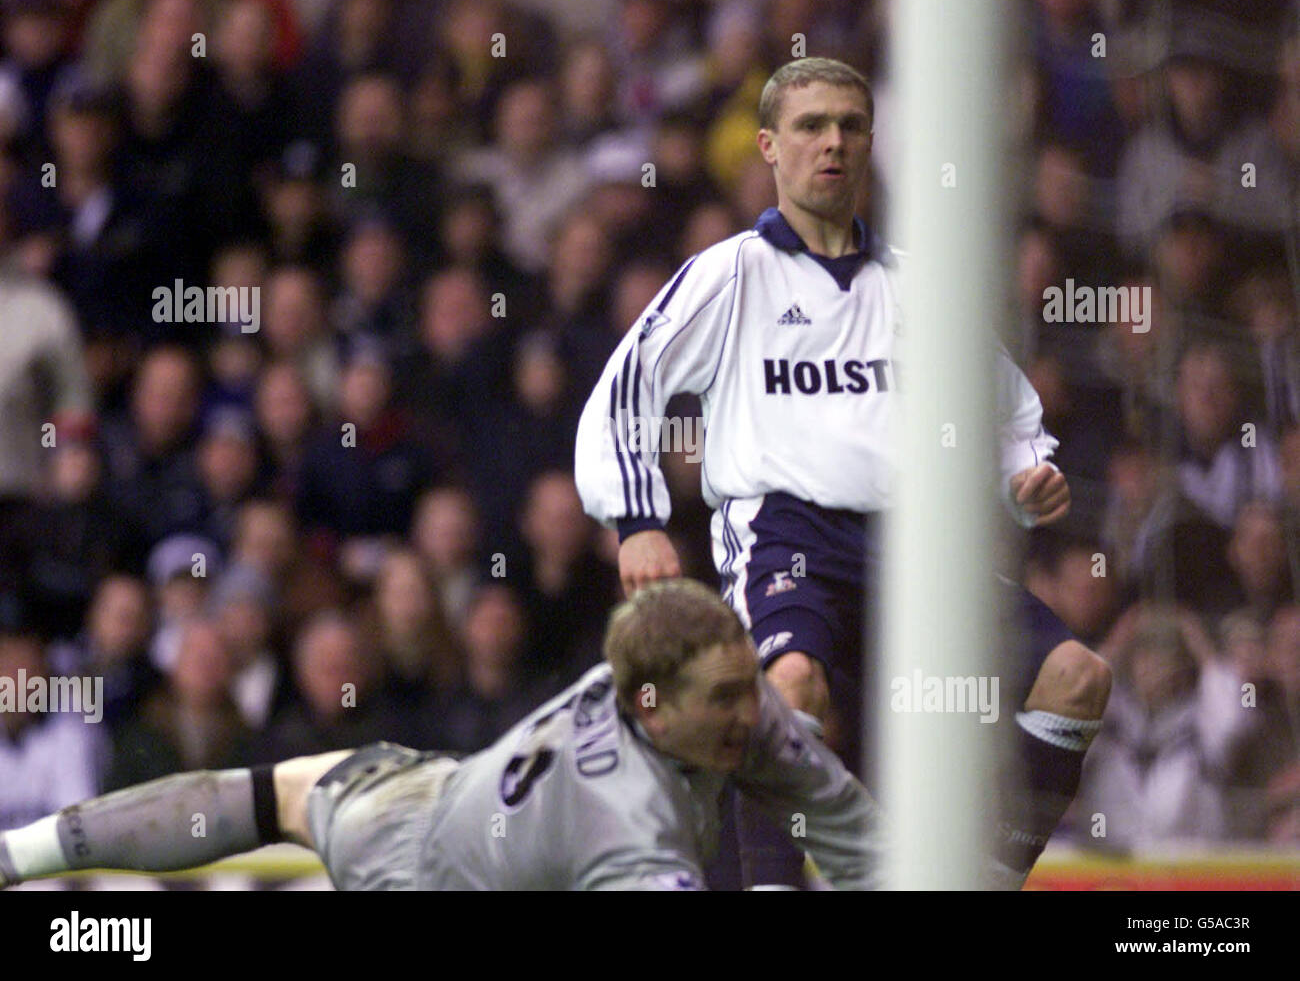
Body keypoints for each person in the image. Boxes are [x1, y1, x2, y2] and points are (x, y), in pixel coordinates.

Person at [573, 57, 1111, 887]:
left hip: (916, 543)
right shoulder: (733, 273)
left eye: (850, 126)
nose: (833, 143)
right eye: (810, 126)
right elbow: (626, 389)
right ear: (769, 147)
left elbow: (1007, 411)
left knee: (1077, 677)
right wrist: (638, 518)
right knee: (785, 688)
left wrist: (1024, 474)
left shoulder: (917, 284)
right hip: (790, 533)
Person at [0, 579, 884, 891]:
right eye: (724, 700)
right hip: (409, 872)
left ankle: (14, 856)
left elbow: (866, 849)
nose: (750, 714)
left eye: (748, 689)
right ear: (650, 706)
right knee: (273, 800)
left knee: (274, 794)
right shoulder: (632, 833)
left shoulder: (719, 697)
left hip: (437, 789)